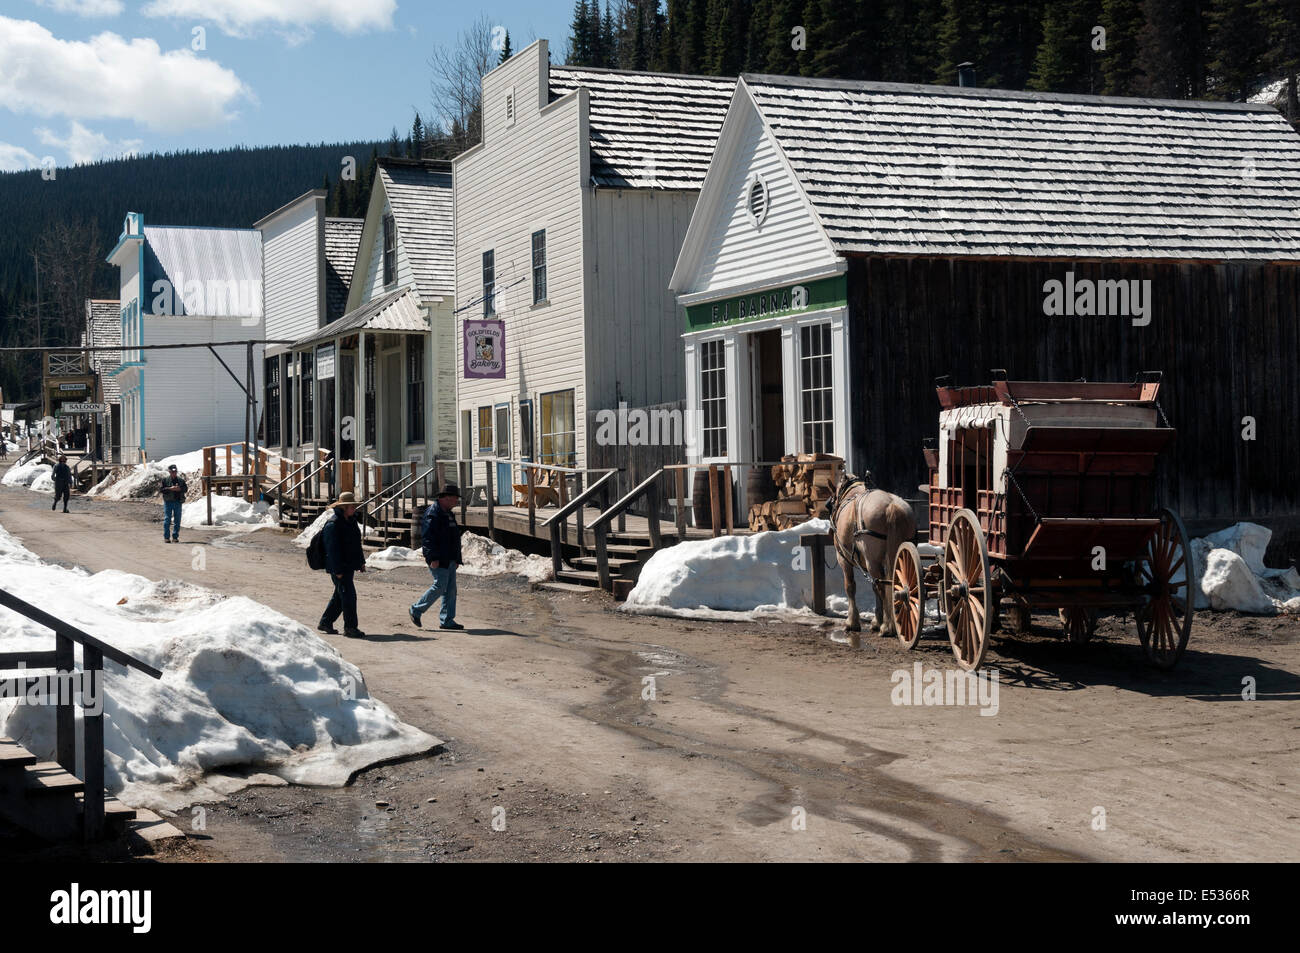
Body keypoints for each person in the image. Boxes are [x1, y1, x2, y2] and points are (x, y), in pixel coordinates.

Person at [409, 485, 464, 631]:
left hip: (449, 558)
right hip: (439, 558)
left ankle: (447, 620)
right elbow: (428, 539)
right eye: (454, 499)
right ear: (445, 498)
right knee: (440, 586)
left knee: (450, 590)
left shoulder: (447, 513)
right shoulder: (433, 513)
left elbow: (453, 537)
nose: (456, 501)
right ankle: (416, 610)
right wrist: (432, 557)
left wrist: (457, 558)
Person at [319, 491, 367, 638]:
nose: (354, 508)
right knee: (349, 597)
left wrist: (361, 562)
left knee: (341, 596)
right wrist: (337, 569)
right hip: (339, 568)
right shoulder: (333, 525)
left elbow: (355, 545)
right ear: (344, 507)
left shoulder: (351, 522)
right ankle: (351, 627)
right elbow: (332, 550)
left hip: (348, 566)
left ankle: (326, 622)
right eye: (352, 506)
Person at [159, 464, 187, 543]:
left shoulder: (181, 480)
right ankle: (166, 537)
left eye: (175, 472)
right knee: (167, 519)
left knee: (177, 520)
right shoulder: (165, 480)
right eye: (172, 472)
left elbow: (185, 489)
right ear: (169, 472)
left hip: (178, 502)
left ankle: (175, 537)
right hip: (168, 502)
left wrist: (179, 489)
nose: (174, 473)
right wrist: (170, 488)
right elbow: (161, 490)